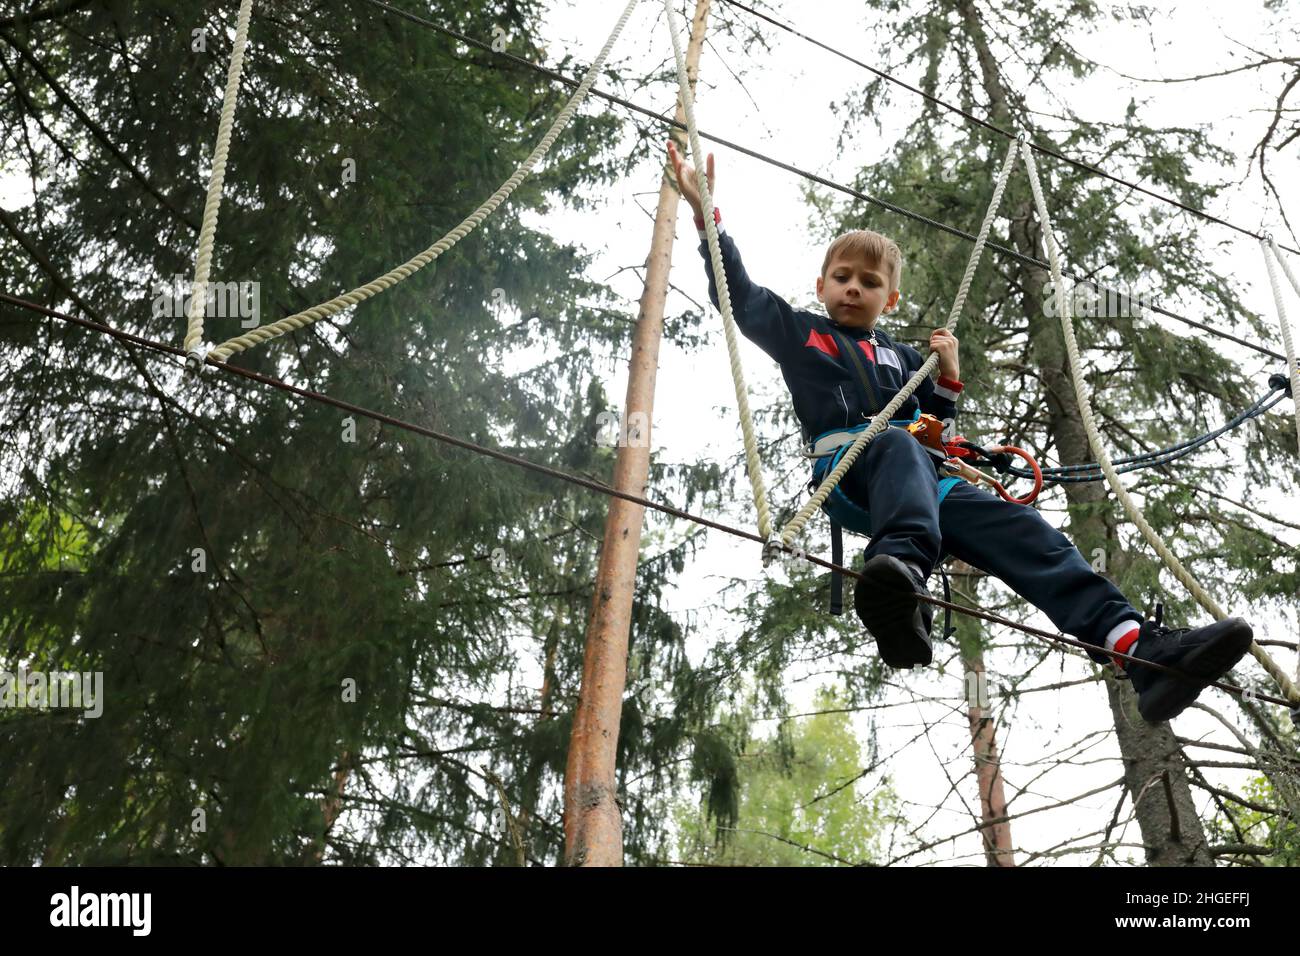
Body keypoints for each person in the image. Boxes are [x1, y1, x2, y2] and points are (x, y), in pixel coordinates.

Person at [667, 140, 1253, 723]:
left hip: (923, 486)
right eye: (841, 278)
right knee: (892, 443)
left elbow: (933, 430)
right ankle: (899, 583)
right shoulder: (802, 334)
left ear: (888, 298)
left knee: (1027, 533)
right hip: (852, 476)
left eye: (868, 282)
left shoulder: (901, 359)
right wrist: (706, 216)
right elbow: (738, 297)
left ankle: (1136, 650)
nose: (853, 288)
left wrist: (946, 380)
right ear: (820, 287)